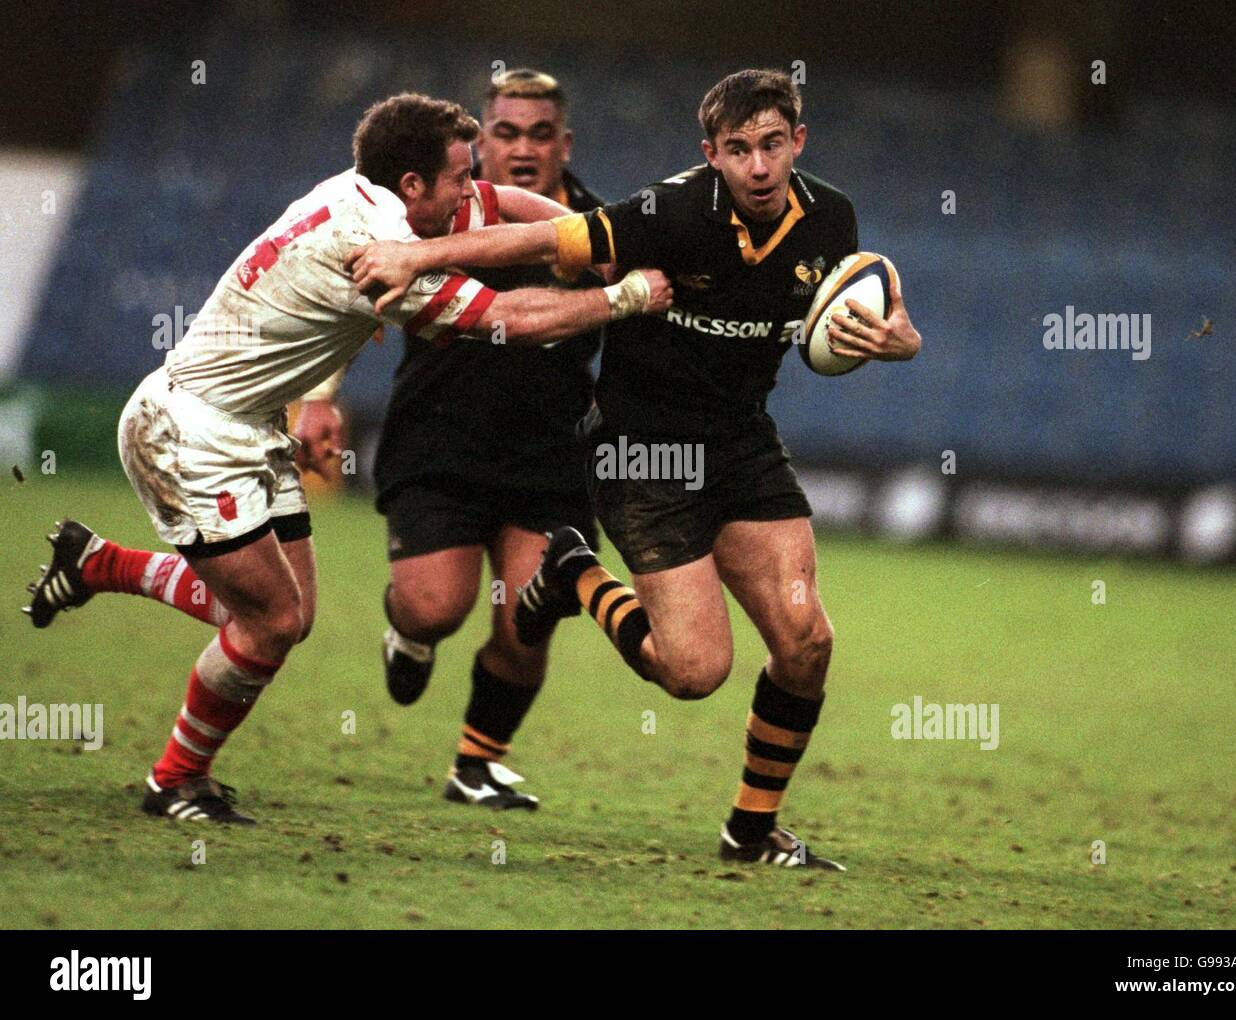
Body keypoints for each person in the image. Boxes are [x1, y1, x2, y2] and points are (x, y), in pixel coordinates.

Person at [23, 92, 671, 824]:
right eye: (459, 176)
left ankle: (98, 564)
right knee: (268, 624)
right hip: (189, 436)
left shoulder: (374, 193)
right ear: (413, 187)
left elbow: (502, 201)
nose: (472, 188)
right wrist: (627, 294)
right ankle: (174, 779)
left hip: (248, 424)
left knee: (286, 616)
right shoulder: (378, 258)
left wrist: (594, 234)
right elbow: (509, 320)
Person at [346, 70, 921, 869]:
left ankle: (750, 834)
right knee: (693, 674)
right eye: (738, 150)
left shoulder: (834, 221)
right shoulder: (673, 213)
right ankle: (576, 570)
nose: (758, 167)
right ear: (711, 154)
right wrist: (420, 255)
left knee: (806, 642)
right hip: (641, 451)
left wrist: (904, 342)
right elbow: (547, 242)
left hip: (742, 446)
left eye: (772, 146)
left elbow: (868, 319)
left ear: (798, 141)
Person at [297, 70, 609, 812]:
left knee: (527, 623)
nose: (523, 148)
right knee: (436, 606)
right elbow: (347, 293)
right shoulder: (423, 215)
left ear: (564, 144)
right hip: (441, 442)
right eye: (506, 132)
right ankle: (407, 634)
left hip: (549, 454)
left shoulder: (599, 229)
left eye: (540, 134)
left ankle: (476, 765)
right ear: (480, 138)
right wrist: (317, 396)